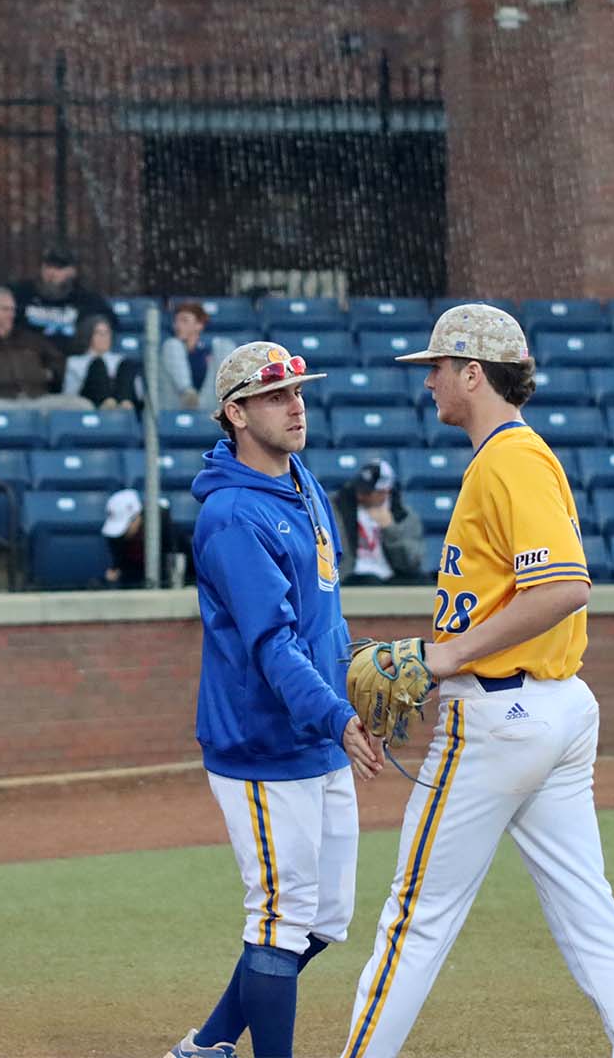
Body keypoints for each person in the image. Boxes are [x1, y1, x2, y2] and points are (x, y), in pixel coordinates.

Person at [343, 305, 614, 1058]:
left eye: (436, 367)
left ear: (473, 372)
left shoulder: (511, 459)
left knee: (413, 919)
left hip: (499, 716)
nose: (426, 381)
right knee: (589, 911)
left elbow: (563, 587)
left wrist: (443, 658)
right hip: (551, 710)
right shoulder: (506, 456)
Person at [168, 341, 383, 1058]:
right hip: (261, 744)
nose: (295, 405)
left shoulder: (305, 484)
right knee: (280, 918)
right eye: (274, 396)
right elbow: (272, 644)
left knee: (325, 919)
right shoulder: (230, 516)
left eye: (298, 391)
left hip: (317, 734)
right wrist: (337, 712)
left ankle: (206, 1046)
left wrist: (354, 681)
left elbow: (328, 609)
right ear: (234, 412)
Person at [331, 460, 425, 585]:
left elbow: (411, 563)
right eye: (360, 489)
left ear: (385, 492)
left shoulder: (403, 516)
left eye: (367, 492)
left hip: (392, 577)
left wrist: (390, 529)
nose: (360, 495)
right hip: (352, 576)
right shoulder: (338, 508)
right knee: (370, 580)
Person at [8, 245, 113, 353]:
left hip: (71, 359)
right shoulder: (23, 293)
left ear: (72, 271)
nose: (52, 273)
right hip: (29, 357)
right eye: (48, 267)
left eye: (59, 268)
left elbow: (110, 322)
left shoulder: (85, 298)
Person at [158, 302, 237, 411]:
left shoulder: (206, 351)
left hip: (207, 405)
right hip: (175, 404)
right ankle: (187, 391)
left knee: (224, 345)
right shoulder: (170, 347)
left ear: (199, 325)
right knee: (172, 345)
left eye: (184, 321)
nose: (177, 326)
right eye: (176, 321)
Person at [63, 314, 142, 410]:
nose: (104, 337)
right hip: (91, 400)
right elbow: (69, 394)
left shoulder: (121, 360)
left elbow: (138, 391)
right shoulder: (75, 362)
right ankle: (107, 403)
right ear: (89, 335)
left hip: (122, 399)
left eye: (107, 333)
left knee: (127, 365)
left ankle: (123, 404)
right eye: (99, 333)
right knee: (98, 364)